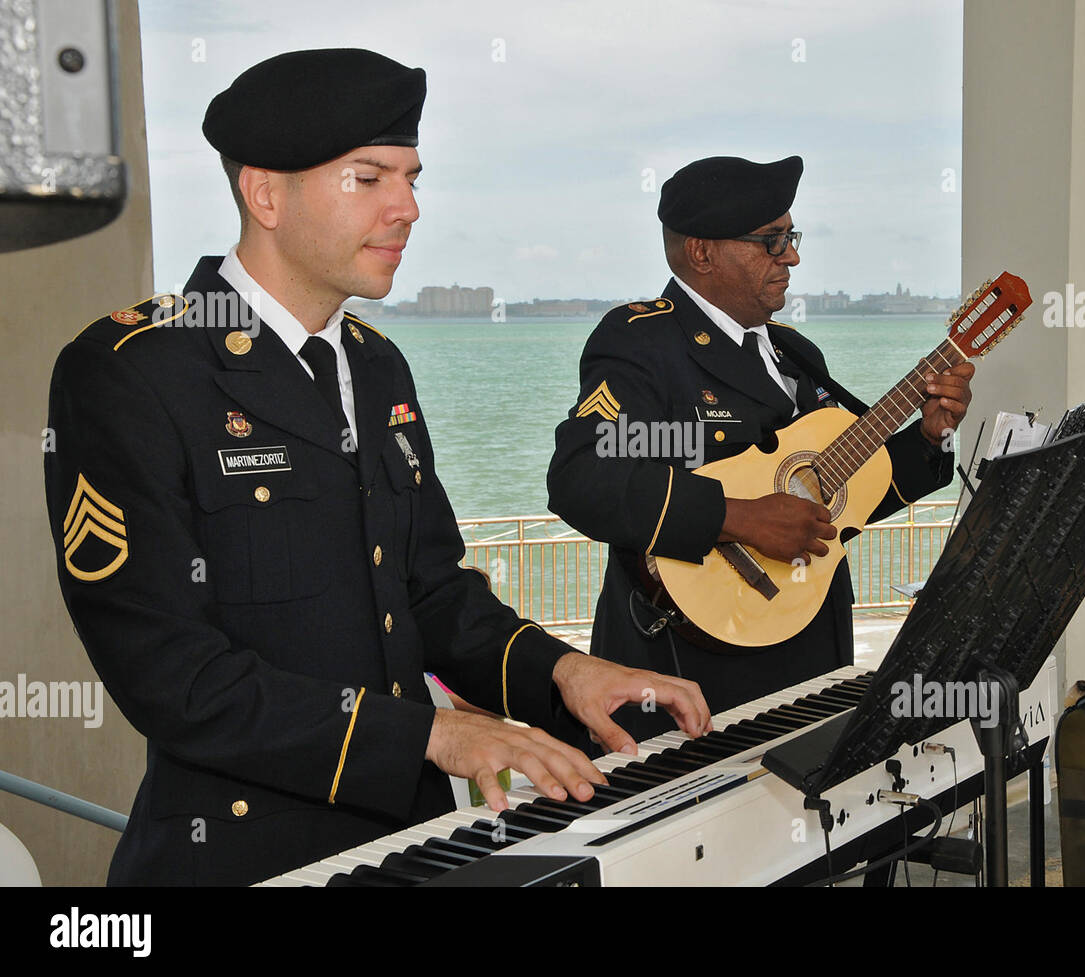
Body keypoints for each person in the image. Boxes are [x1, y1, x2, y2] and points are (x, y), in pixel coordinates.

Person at [43, 48, 709, 886]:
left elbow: (430, 588)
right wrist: (431, 734)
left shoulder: (378, 365)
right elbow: (171, 672)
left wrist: (563, 671)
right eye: (370, 178)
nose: (409, 207)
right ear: (265, 193)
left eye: (412, 177)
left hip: (413, 843)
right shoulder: (133, 370)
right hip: (243, 857)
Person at [547, 155, 972, 744]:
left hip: (810, 648)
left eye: (790, 238)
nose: (791, 256)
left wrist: (932, 435)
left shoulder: (795, 353)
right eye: (772, 242)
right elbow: (581, 477)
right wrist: (739, 519)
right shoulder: (643, 343)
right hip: (697, 671)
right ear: (702, 252)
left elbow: (843, 496)